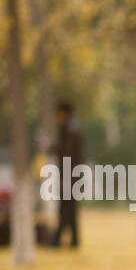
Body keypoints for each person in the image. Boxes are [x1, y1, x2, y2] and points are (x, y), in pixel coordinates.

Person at [52, 101, 85, 248]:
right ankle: (74, 242)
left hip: (70, 178)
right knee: (70, 211)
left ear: (64, 113)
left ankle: (57, 241)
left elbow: (68, 156)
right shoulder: (73, 128)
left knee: (65, 209)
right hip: (75, 177)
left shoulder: (68, 130)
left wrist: (63, 178)